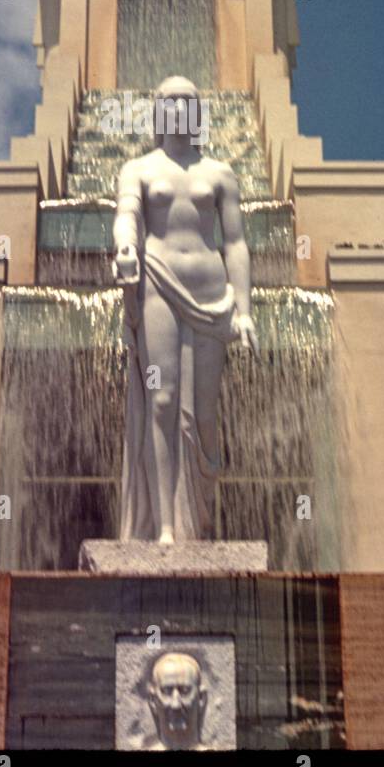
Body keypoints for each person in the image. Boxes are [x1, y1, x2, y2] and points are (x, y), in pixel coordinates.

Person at [113, 76, 259, 543]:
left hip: (213, 294)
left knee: (203, 414)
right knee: (162, 400)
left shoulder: (219, 173)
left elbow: (235, 242)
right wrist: (124, 249)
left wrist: (245, 310)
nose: (178, 109)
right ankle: (166, 528)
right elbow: (127, 216)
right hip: (158, 282)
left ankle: (198, 520)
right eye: (169, 102)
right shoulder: (138, 169)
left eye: (187, 102)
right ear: (157, 112)